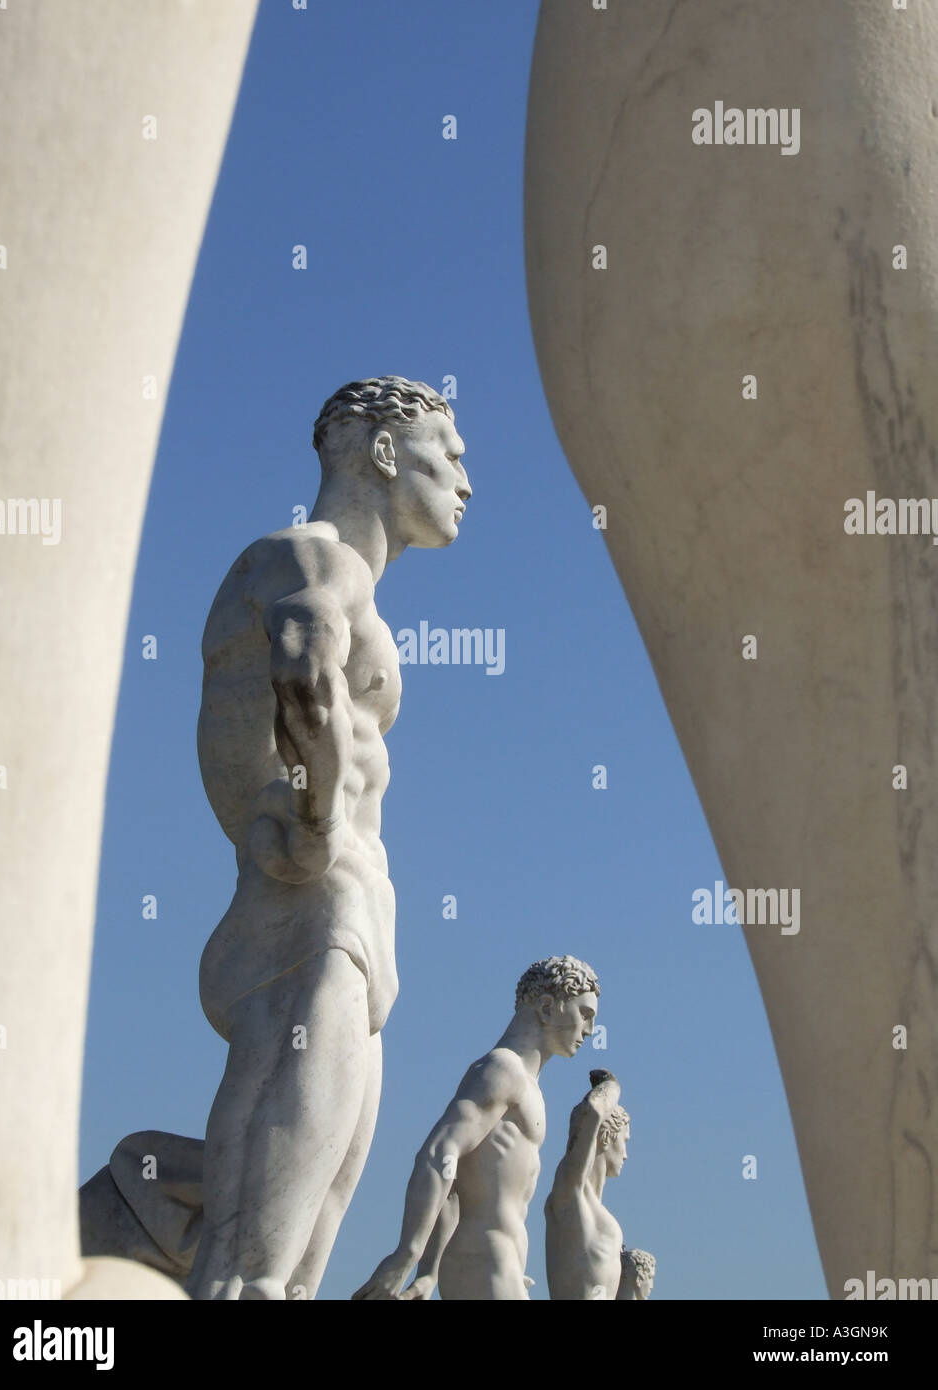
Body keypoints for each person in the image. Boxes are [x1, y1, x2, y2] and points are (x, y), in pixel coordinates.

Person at [187, 377, 471, 1300]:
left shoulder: (351, 587)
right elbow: (303, 669)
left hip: (349, 930)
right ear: (383, 452)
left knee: (291, 1272)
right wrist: (311, 821)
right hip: (308, 924)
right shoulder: (312, 557)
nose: (466, 480)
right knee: (252, 1274)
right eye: (450, 452)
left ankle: (131, 1207)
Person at [353, 955, 600, 1301]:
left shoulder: (527, 1086)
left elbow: (456, 1184)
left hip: (497, 1267)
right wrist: (406, 1255)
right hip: (485, 1264)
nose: (589, 1031)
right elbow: (440, 1152)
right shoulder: (502, 1070)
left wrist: (429, 1273)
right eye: (584, 1014)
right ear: (547, 1007)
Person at [545, 1068, 631, 1300]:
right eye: (624, 1142)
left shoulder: (591, 1205)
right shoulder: (572, 1192)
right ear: (605, 1137)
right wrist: (612, 1086)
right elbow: (593, 1111)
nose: (626, 1155)